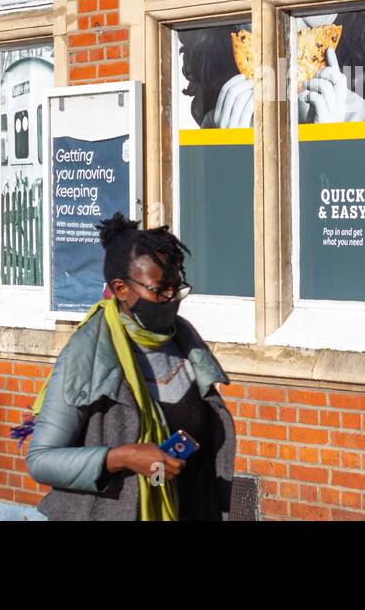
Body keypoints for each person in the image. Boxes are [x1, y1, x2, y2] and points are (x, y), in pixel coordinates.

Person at [19, 213, 236, 520]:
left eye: (177, 287)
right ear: (121, 289)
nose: (172, 298)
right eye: (159, 290)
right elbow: (41, 460)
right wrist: (122, 457)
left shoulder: (184, 341)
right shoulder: (88, 353)